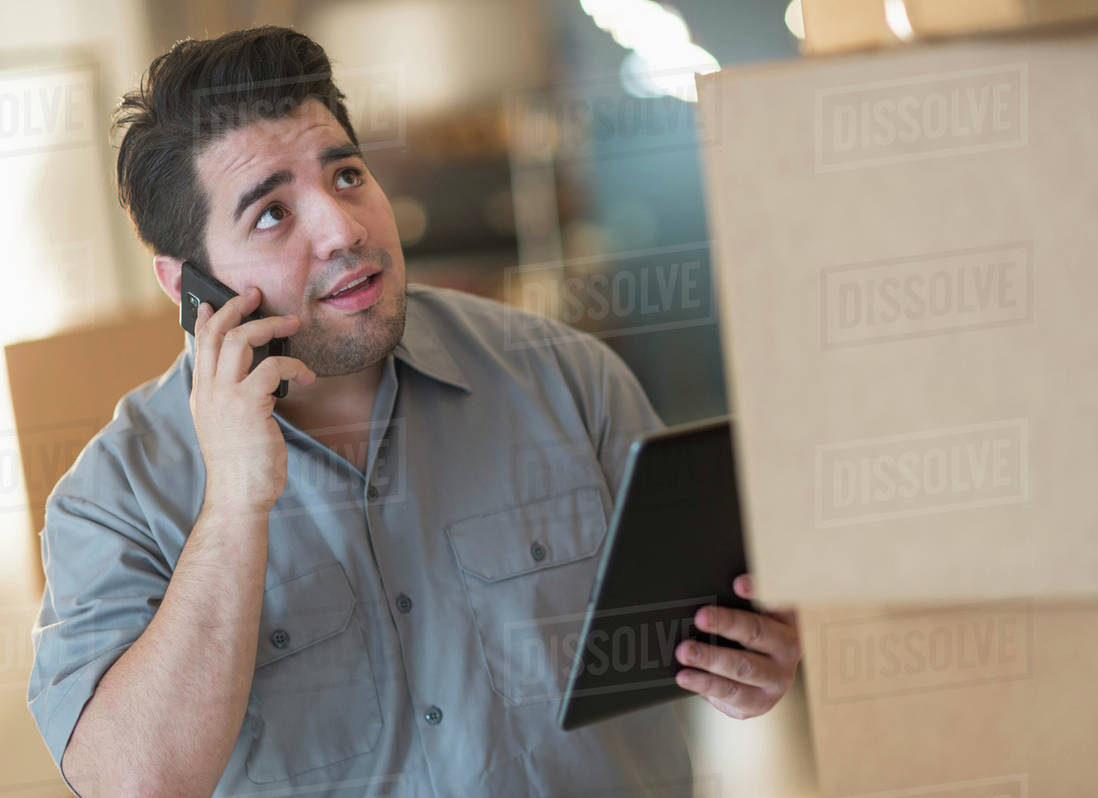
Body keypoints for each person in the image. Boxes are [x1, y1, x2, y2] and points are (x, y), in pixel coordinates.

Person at [26, 26, 802, 797]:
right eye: (272, 213)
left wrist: (756, 661)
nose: (344, 229)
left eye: (347, 177)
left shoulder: (567, 379)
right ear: (187, 286)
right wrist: (233, 504)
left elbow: (725, 631)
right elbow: (135, 782)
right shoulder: (114, 499)